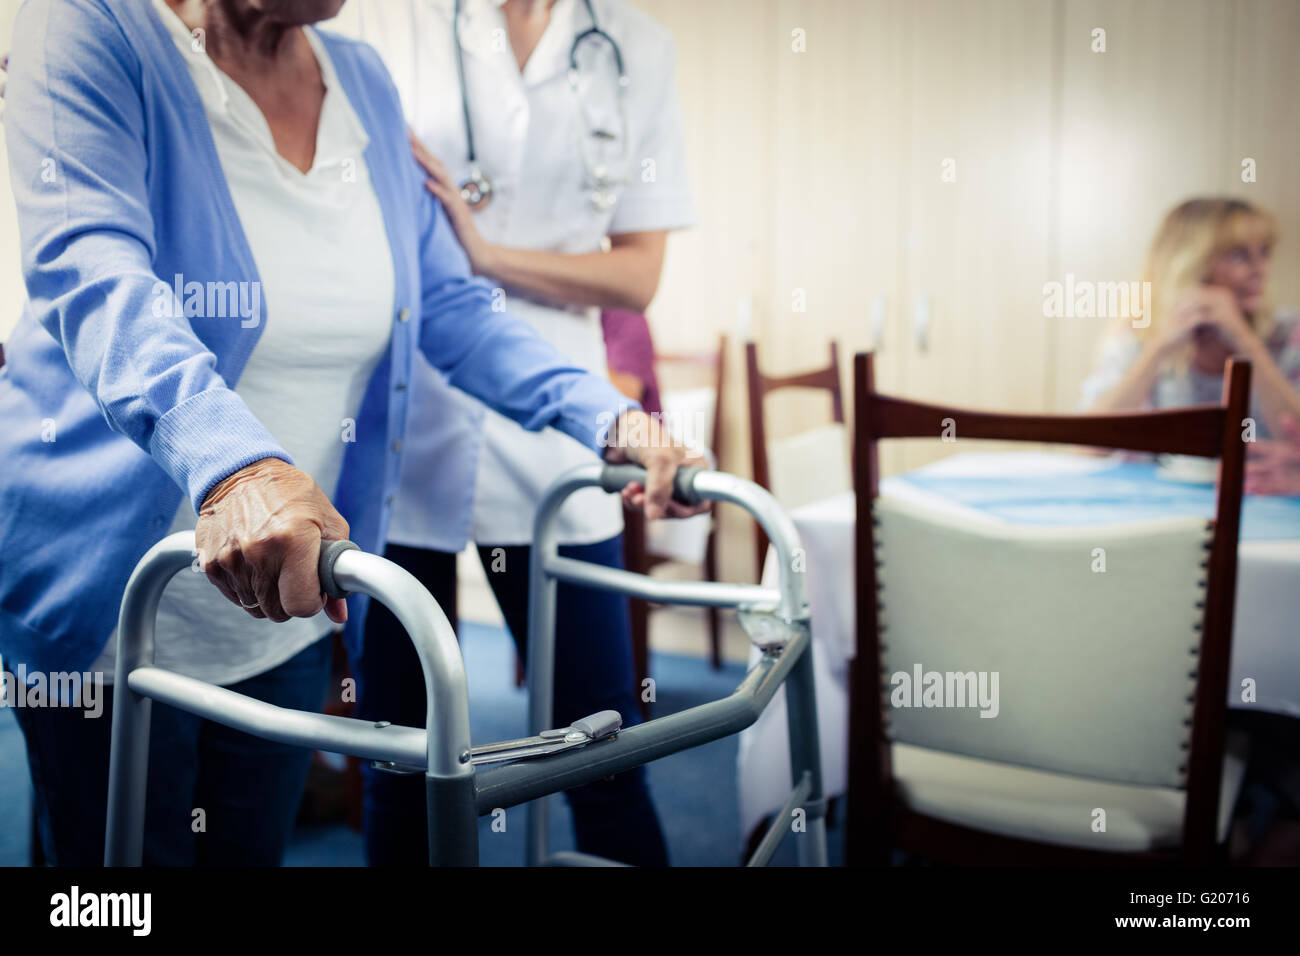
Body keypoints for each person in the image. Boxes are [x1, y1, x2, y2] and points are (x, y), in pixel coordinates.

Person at [0, 0, 699, 866]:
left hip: (289, 604)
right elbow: (96, 273)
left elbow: (450, 307)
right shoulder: (87, 25)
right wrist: (237, 468)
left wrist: (604, 415)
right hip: (111, 603)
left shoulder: (362, 81)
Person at [328, 0, 693, 865]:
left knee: (605, 752)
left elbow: (637, 275)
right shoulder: (390, 25)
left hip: (562, 422)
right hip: (407, 406)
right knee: (403, 762)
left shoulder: (635, 47)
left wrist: (485, 256)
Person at [1081, 198, 1300, 442]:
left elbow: (1295, 437)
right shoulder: (1139, 335)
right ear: (1192, 264)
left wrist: (1245, 340)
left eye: (1264, 253)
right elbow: (1088, 444)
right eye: (1239, 255)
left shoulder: (1289, 334)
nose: (1261, 269)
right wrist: (1159, 349)